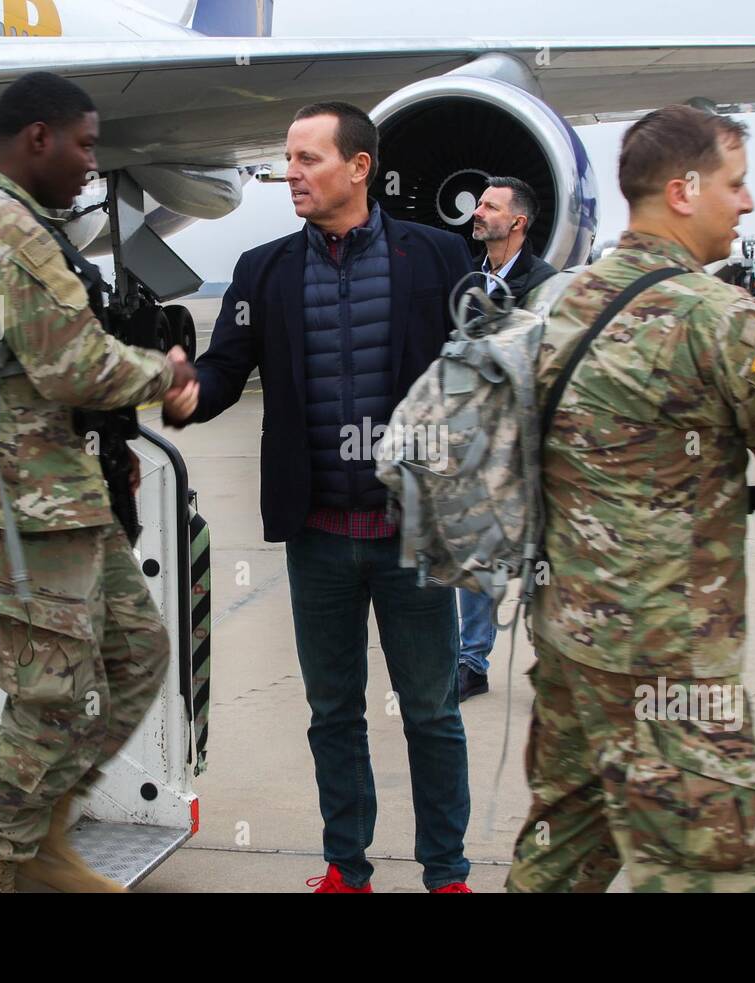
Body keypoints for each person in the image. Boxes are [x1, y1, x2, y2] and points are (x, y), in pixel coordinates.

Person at [507, 105, 755, 892]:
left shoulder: (559, 302)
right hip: (669, 662)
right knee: (715, 868)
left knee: (561, 851)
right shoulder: (723, 320)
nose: (749, 202)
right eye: (738, 183)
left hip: (567, 638)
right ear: (685, 192)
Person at [164, 102, 475, 892]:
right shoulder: (263, 269)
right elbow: (224, 374)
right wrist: (183, 390)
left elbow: (488, 371)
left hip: (414, 534)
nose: (290, 173)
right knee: (333, 713)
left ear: (359, 166)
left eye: (307, 158)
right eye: (288, 158)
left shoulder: (436, 257)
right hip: (320, 537)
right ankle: (347, 867)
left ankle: (448, 873)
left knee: (432, 711)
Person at [0, 72, 199, 892]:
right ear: (37, 137)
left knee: (137, 651)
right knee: (52, 696)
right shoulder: (3, 225)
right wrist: (165, 373)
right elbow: (72, 363)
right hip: (9, 505)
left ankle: (41, 835)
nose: (89, 161)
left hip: (52, 489)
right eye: (83, 143)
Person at [455, 176, 560, 701]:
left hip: (529, 442)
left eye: (489, 207)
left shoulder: (545, 285)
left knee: (543, 557)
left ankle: (554, 659)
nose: (477, 212)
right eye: (478, 204)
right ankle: (471, 660)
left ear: (517, 222)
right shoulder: (470, 278)